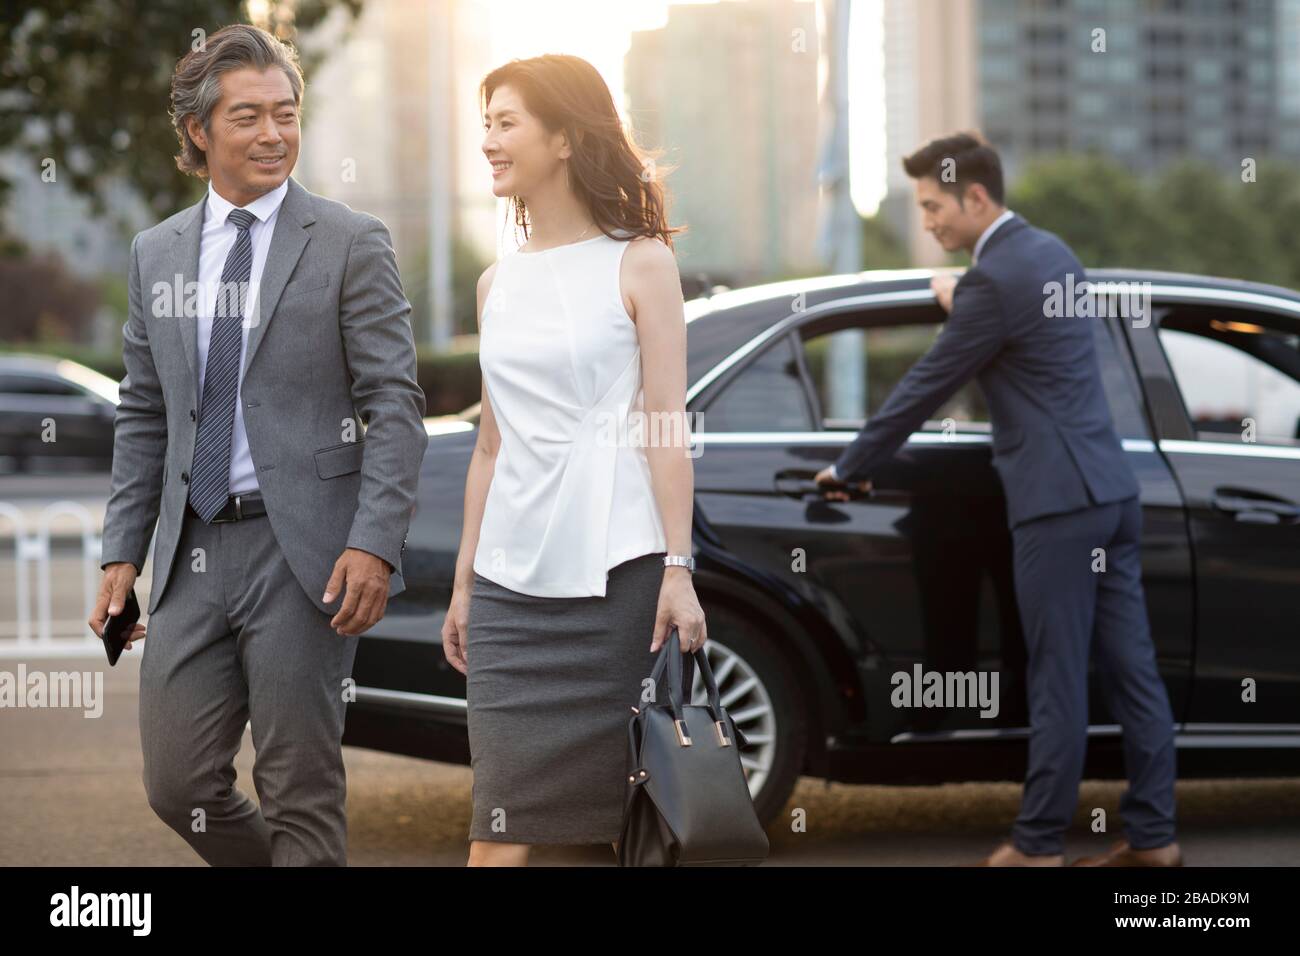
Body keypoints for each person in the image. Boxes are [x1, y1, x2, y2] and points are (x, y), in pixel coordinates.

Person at [87, 23, 427, 865]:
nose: (273, 134)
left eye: (285, 112)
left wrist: (373, 544)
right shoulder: (156, 251)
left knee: (300, 788)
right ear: (199, 132)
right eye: (247, 117)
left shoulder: (351, 242)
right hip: (190, 550)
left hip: (303, 553)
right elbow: (143, 411)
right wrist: (121, 554)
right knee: (178, 783)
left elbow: (396, 404)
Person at [815, 131, 1181, 867]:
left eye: (933, 206)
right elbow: (1032, 340)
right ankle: (1156, 838)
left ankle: (1038, 846)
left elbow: (924, 387)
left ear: (974, 196)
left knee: (1056, 676)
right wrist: (967, 302)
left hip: (1055, 504)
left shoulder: (992, 283)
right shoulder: (1052, 255)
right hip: (1111, 493)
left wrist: (850, 464)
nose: (928, 223)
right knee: (1134, 672)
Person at [441, 54, 705, 867]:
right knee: (499, 830)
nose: (488, 139)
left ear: (563, 138)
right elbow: (491, 444)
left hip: (616, 578)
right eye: (484, 122)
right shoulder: (495, 286)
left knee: (599, 832)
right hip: (508, 592)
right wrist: (462, 585)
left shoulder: (642, 263)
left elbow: (664, 423)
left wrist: (678, 565)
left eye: (506, 121)